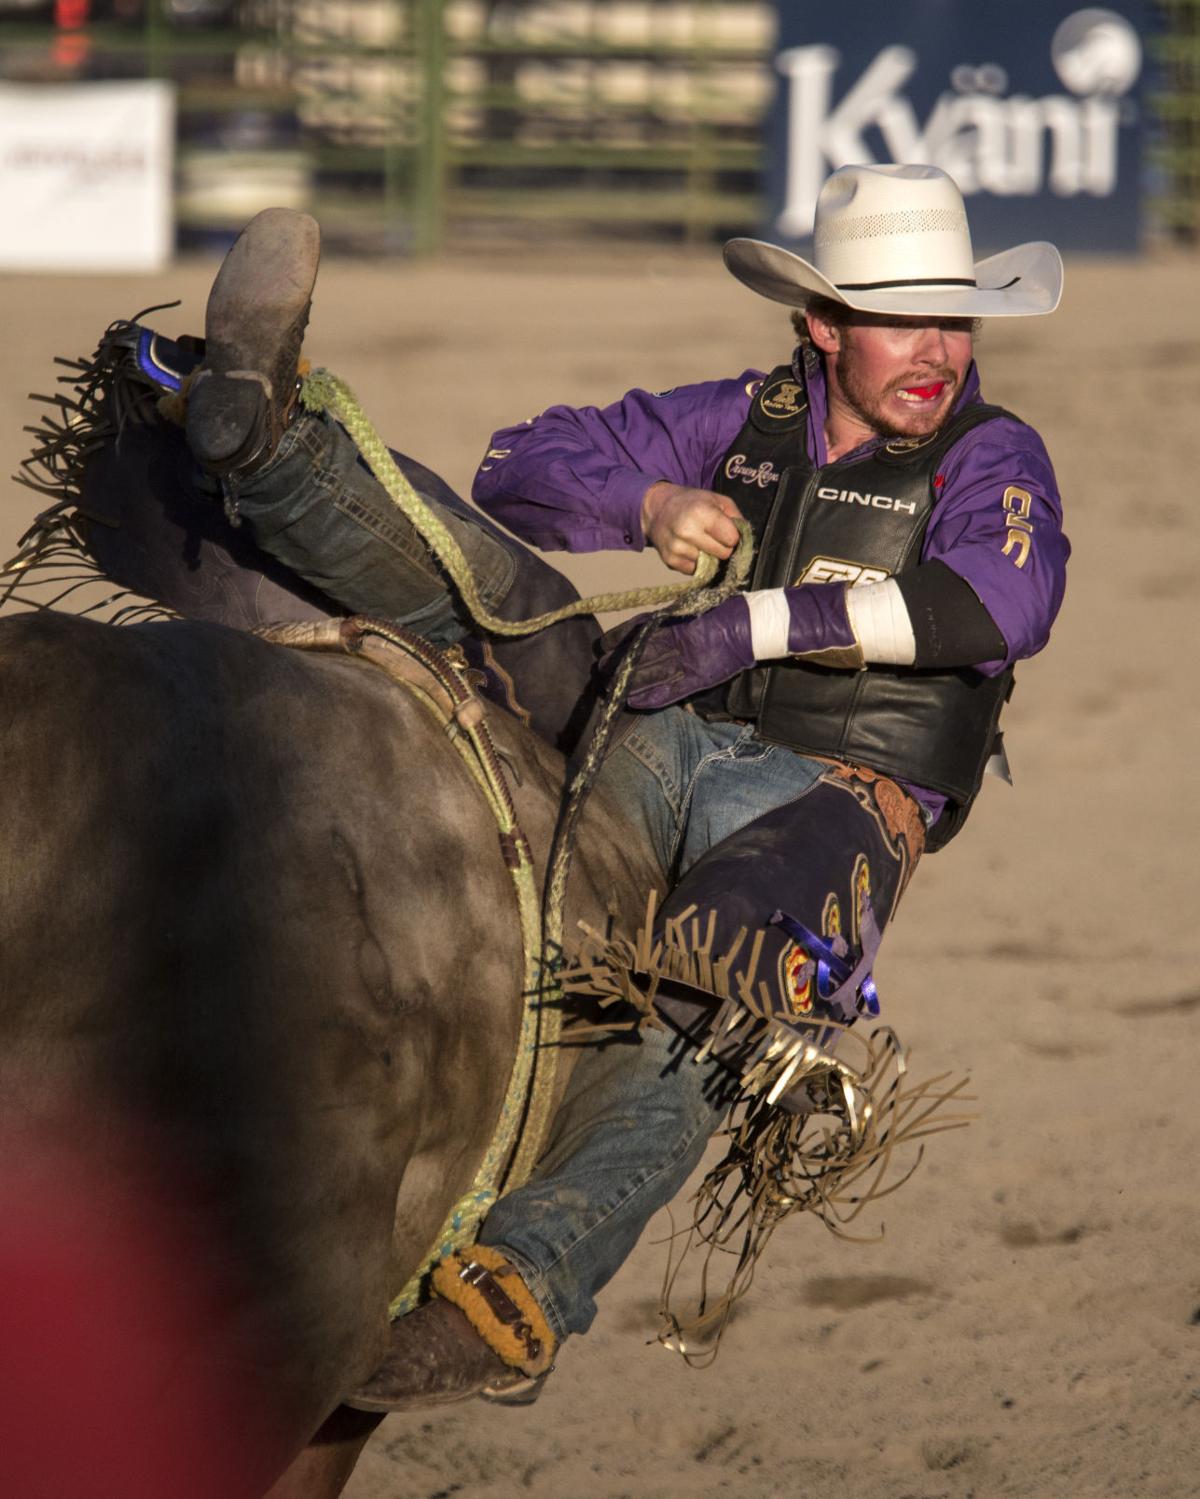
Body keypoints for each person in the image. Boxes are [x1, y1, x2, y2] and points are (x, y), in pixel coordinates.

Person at [92, 163, 1070, 1408]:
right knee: (481, 598)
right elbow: (521, 466)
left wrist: (748, 626)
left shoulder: (996, 457)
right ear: (822, 326)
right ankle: (269, 445)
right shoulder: (744, 415)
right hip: (654, 728)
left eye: (956, 320)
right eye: (904, 320)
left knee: (697, 1010)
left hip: (826, 806)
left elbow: (1002, 598)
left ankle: (523, 1281)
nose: (939, 350)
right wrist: (652, 498)